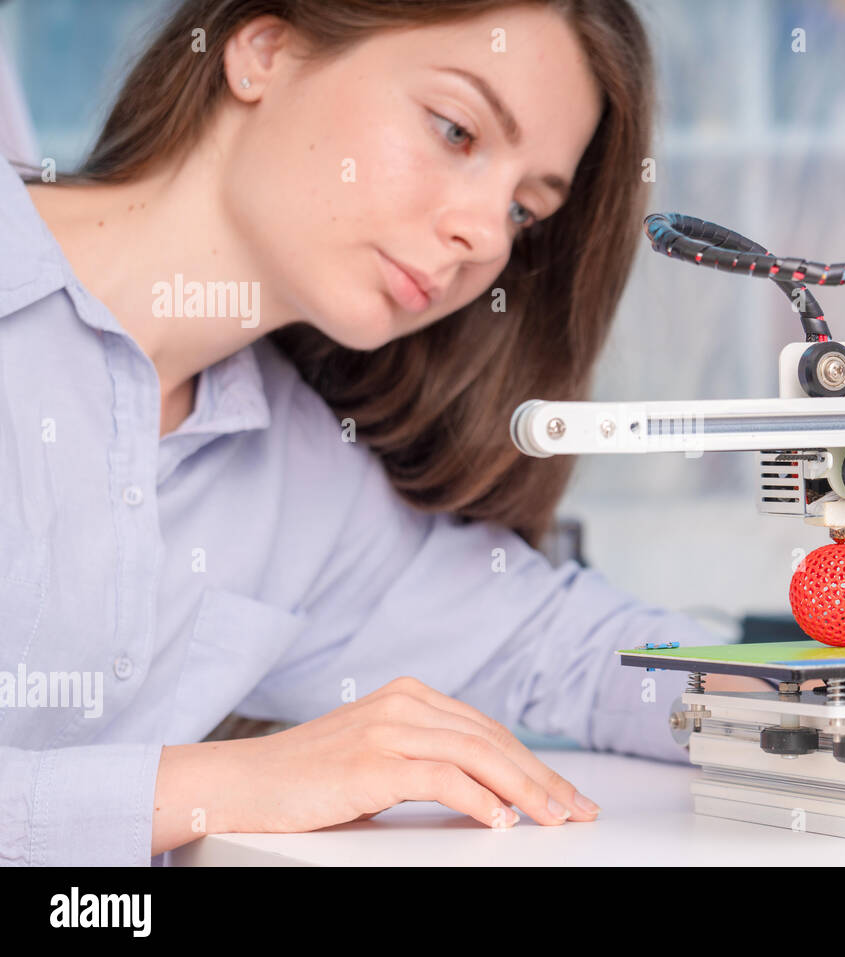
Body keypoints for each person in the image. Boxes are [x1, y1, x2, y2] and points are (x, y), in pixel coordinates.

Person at [0, 0, 742, 866]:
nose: (483, 237)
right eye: (456, 130)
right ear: (263, 51)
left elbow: (561, 649)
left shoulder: (301, 478)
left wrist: (837, 690)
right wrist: (229, 782)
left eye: (523, 210)